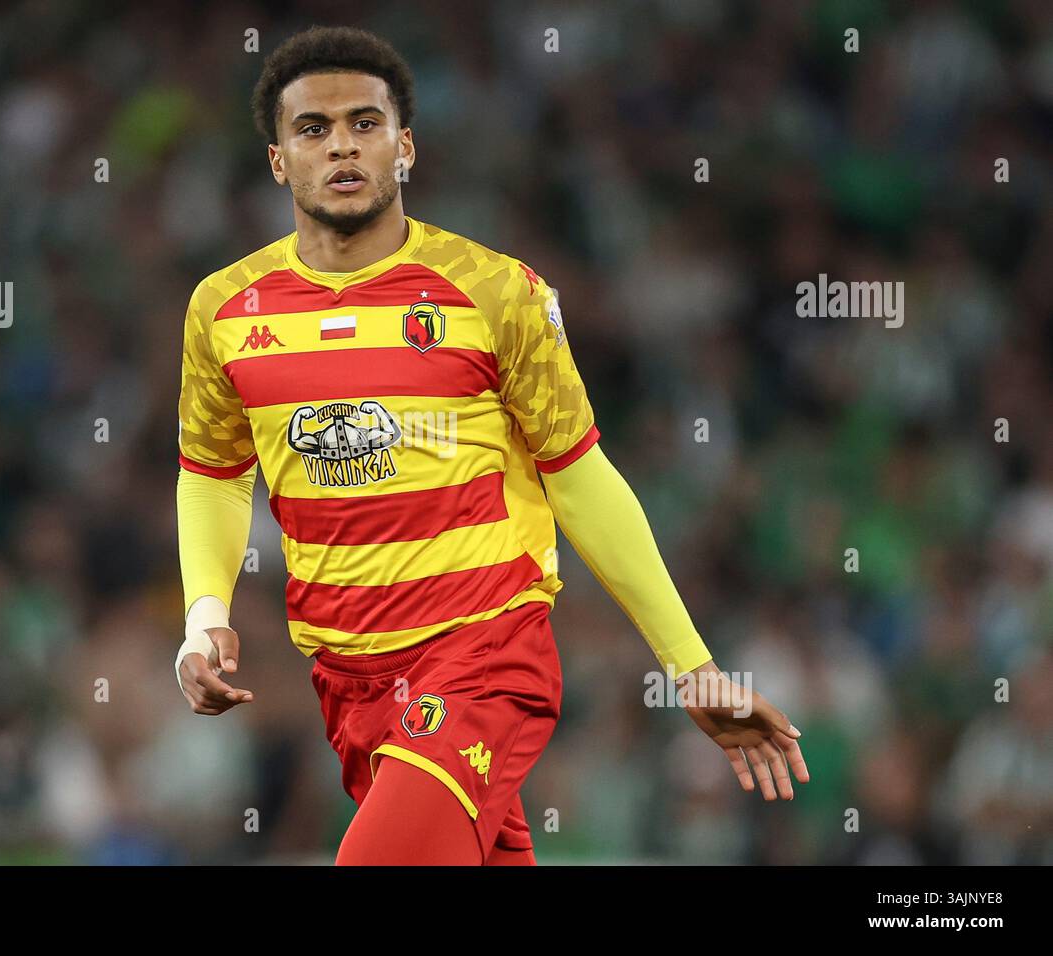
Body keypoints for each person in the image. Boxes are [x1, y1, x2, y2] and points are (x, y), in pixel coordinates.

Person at [174, 25, 808, 865]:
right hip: (351, 679)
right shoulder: (225, 309)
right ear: (279, 161)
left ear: (406, 147)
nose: (342, 146)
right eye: (313, 129)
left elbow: (578, 476)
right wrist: (204, 616)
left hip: (484, 653)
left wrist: (690, 665)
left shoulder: (494, 292)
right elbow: (213, 476)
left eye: (366, 123)